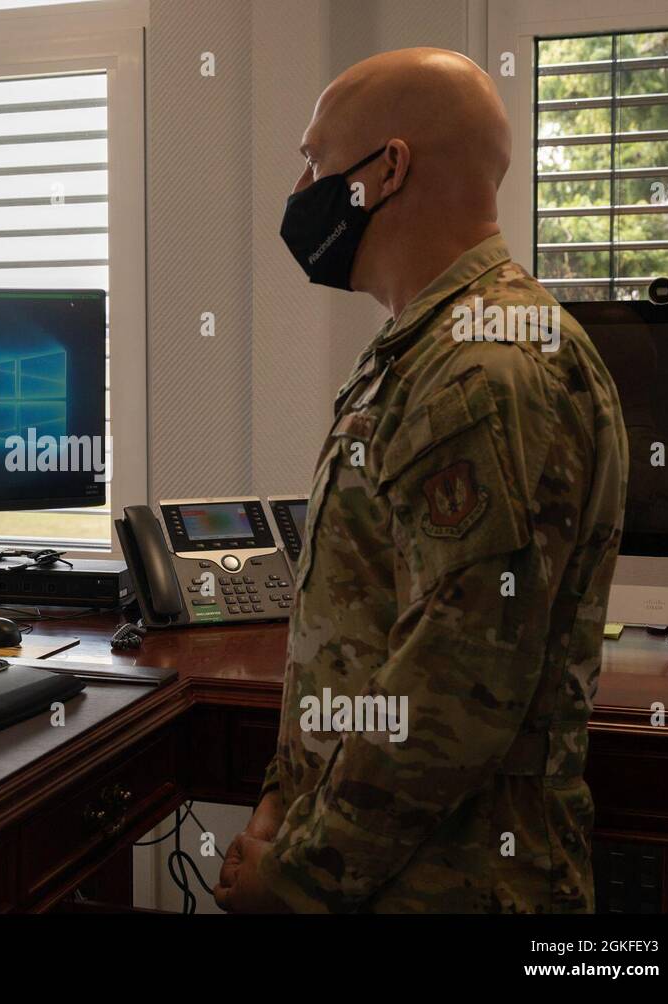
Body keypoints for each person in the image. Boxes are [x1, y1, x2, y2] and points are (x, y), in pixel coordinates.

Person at [213, 47, 627, 915]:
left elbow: (456, 686)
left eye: (315, 161)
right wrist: (283, 799)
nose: (299, 191)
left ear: (387, 170)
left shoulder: (485, 367)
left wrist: (296, 877)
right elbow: (359, 630)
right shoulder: (423, 352)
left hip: (454, 886)